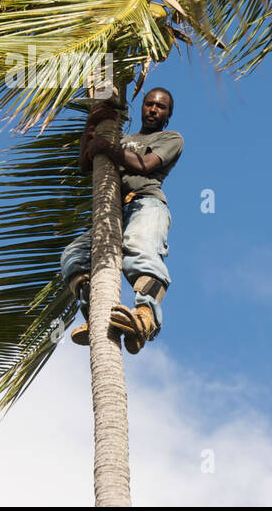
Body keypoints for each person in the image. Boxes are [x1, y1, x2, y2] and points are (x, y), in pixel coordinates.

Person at [62, 87, 183, 353]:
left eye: (160, 107)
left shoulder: (171, 138)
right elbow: (86, 163)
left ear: (168, 115)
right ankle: (96, 315)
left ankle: (145, 317)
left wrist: (108, 146)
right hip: (113, 212)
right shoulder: (121, 137)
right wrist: (93, 122)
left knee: (140, 249)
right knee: (74, 256)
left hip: (146, 203)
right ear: (142, 107)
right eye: (149, 104)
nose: (153, 109)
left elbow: (144, 165)